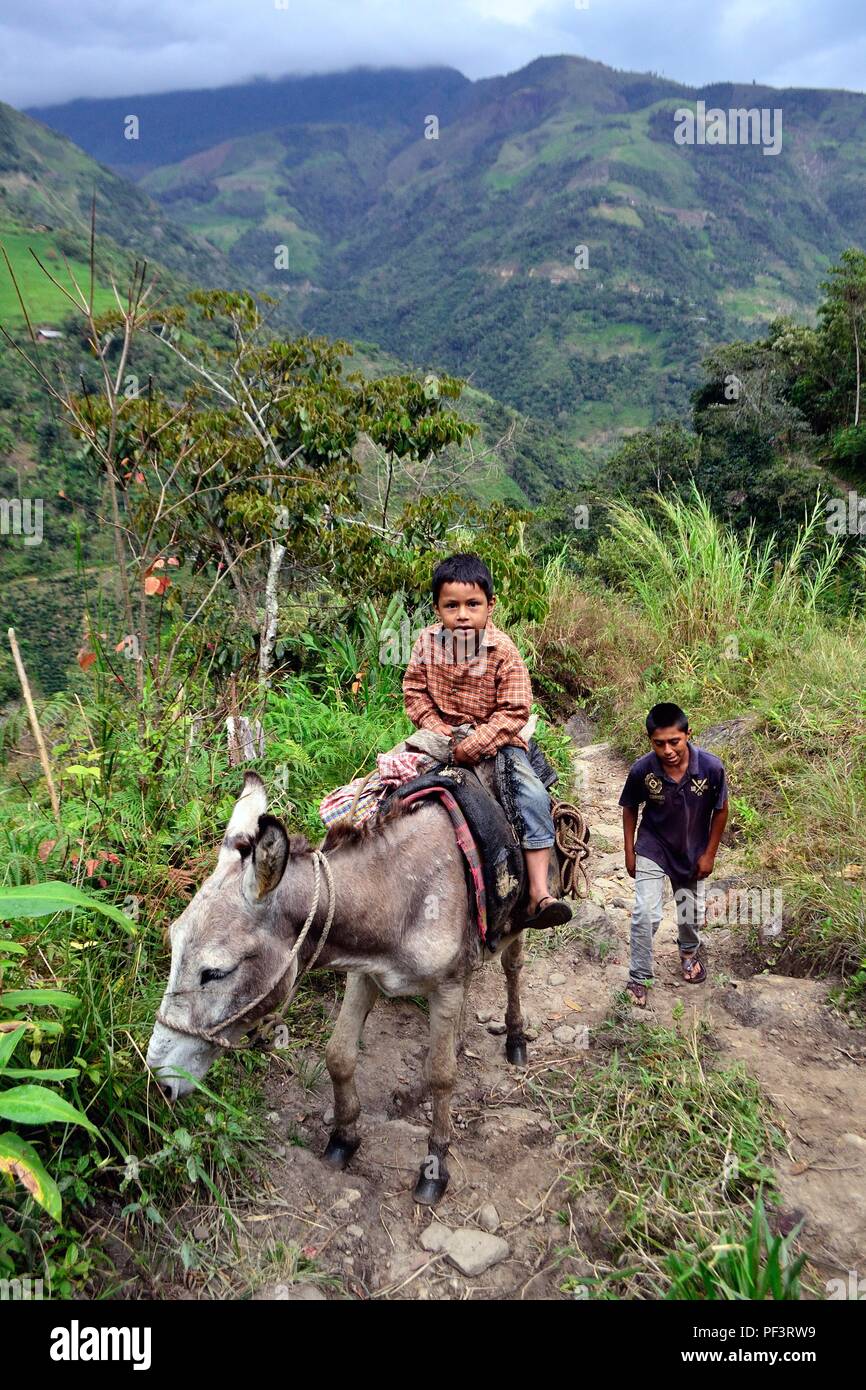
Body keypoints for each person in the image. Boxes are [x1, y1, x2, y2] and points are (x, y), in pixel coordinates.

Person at [402, 552, 570, 929]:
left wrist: (474, 745)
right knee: (388, 789)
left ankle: (539, 893)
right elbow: (414, 692)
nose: (462, 615)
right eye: (452, 606)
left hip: (497, 740)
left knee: (531, 795)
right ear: (437, 608)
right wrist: (436, 727)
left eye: (472, 604)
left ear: (489, 606)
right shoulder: (426, 643)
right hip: (440, 734)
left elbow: (514, 711)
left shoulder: (504, 651)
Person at [618, 702, 729, 1006]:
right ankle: (639, 977)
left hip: (693, 849)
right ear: (650, 740)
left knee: (690, 911)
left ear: (687, 735)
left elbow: (720, 811)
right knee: (645, 913)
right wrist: (630, 851)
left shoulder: (711, 768)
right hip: (653, 846)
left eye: (674, 742)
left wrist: (710, 854)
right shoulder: (642, 769)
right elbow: (630, 807)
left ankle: (689, 953)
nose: (667, 750)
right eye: (659, 743)